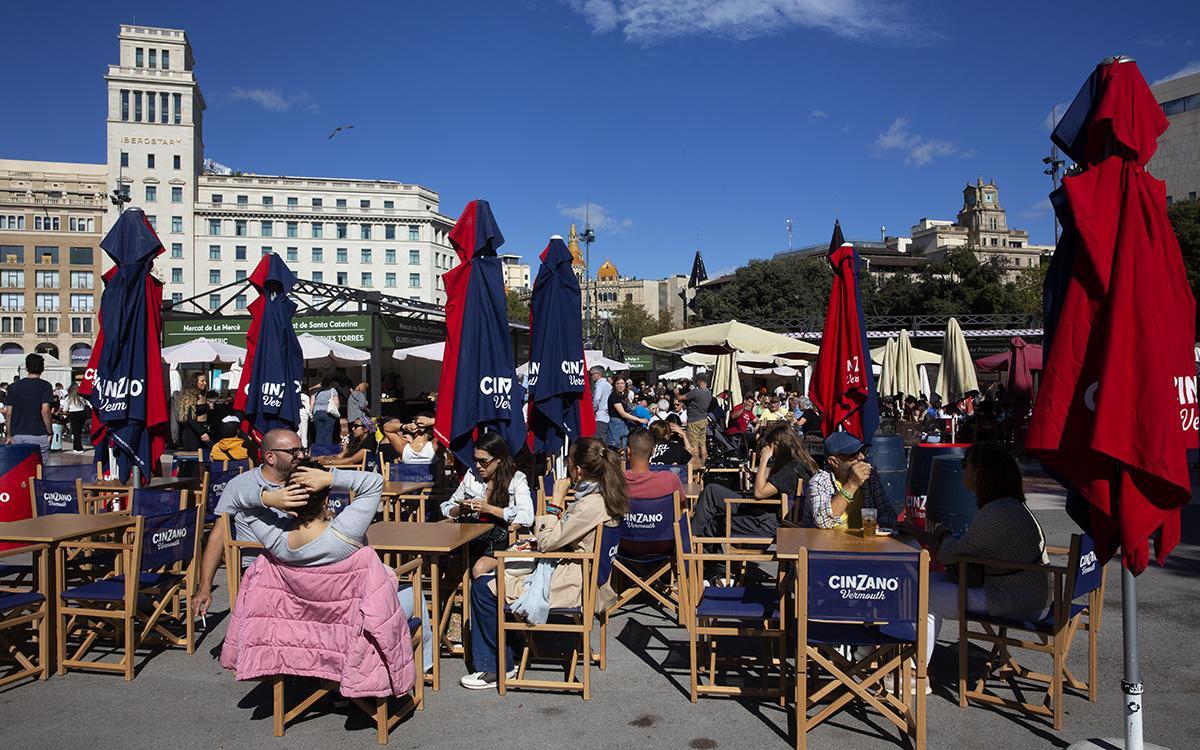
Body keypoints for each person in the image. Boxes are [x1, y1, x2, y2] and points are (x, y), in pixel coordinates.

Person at [462, 437, 627, 690]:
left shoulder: (591, 504)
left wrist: (556, 501)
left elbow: (549, 542)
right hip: (586, 575)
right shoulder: (606, 496)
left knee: (484, 587)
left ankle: (495, 667)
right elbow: (566, 537)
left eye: (569, 464)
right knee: (499, 575)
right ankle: (512, 648)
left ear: (578, 470)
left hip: (575, 582)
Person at [900, 443, 1050, 670]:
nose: (962, 470)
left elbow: (950, 554)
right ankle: (907, 657)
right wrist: (918, 532)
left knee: (924, 596)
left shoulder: (996, 512)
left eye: (964, 465)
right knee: (919, 584)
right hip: (1023, 591)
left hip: (1013, 597)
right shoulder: (1008, 505)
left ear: (980, 472)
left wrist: (944, 533)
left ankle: (915, 671)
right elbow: (962, 547)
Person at [691, 422, 818, 540]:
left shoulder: (792, 469)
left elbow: (759, 493)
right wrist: (758, 478)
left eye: (769, 446)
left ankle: (691, 541)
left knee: (714, 520)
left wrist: (763, 460)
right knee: (712, 491)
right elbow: (773, 487)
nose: (767, 449)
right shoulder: (801, 465)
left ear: (778, 445)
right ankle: (693, 538)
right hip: (768, 513)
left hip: (768, 520)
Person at [441, 431, 534, 579]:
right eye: (475, 460)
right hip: (472, 536)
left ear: (499, 459)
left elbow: (527, 516)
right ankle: (453, 601)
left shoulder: (517, 478)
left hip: (504, 537)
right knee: (448, 565)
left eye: (483, 461)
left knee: (479, 569)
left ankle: (484, 598)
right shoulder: (471, 476)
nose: (478, 465)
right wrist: (460, 509)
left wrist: (489, 509)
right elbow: (446, 507)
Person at [802, 432, 898, 530]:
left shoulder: (870, 477)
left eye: (863, 450)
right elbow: (822, 522)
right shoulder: (819, 482)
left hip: (862, 542)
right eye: (853, 454)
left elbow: (887, 512)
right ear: (834, 462)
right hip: (826, 542)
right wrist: (852, 484)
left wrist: (882, 526)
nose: (862, 457)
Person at [3, 354, 56, 462]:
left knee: (19, 469)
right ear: (42, 369)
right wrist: (50, 432)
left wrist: (8, 435)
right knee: (40, 470)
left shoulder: (14, 387)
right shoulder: (45, 386)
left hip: (18, 435)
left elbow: (8, 413)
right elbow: (45, 411)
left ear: (26, 368)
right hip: (39, 434)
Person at [606, 378, 647, 451]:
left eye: (622, 383)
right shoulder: (614, 396)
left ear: (625, 385)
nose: (620, 386)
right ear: (614, 385)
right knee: (616, 450)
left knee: (624, 450)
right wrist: (639, 420)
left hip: (623, 424)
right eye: (617, 383)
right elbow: (622, 413)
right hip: (616, 425)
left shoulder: (622, 396)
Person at [681, 374, 712, 463]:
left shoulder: (696, 392)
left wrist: (677, 393)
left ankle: (696, 466)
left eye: (696, 381)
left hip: (694, 420)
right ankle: (705, 464)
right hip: (703, 419)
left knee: (693, 445)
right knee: (702, 444)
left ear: (700, 381)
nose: (695, 382)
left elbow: (681, 398)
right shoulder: (708, 392)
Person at [175, 385, 211, 452]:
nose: (205, 383)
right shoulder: (190, 397)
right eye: (202, 381)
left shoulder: (203, 395)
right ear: (195, 383)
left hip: (204, 428)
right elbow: (190, 418)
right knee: (194, 457)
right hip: (192, 432)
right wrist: (202, 433)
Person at [311, 378, 340, 446]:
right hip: (329, 413)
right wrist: (336, 412)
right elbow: (337, 403)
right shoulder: (333, 390)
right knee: (328, 433)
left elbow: (312, 404)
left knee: (319, 433)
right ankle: (327, 452)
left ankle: (319, 451)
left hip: (317, 413)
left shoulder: (316, 391)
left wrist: (311, 414)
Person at [63, 384, 90, 453]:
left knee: (76, 432)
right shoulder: (82, 397)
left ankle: (78, 448)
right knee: (79, 432)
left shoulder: (69, 398)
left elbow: (65, 409)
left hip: (74, 415)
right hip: (82, 414)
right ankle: (76, 447)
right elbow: (88, 404)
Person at [590, 366, 611, 446]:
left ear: (598, 374)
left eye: (591, 374)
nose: (590, 376)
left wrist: (593, 408)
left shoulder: (599, 384)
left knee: (599, 443)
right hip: (607, 416)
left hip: (600, 416)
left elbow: (597, 398)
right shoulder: (608, 385)